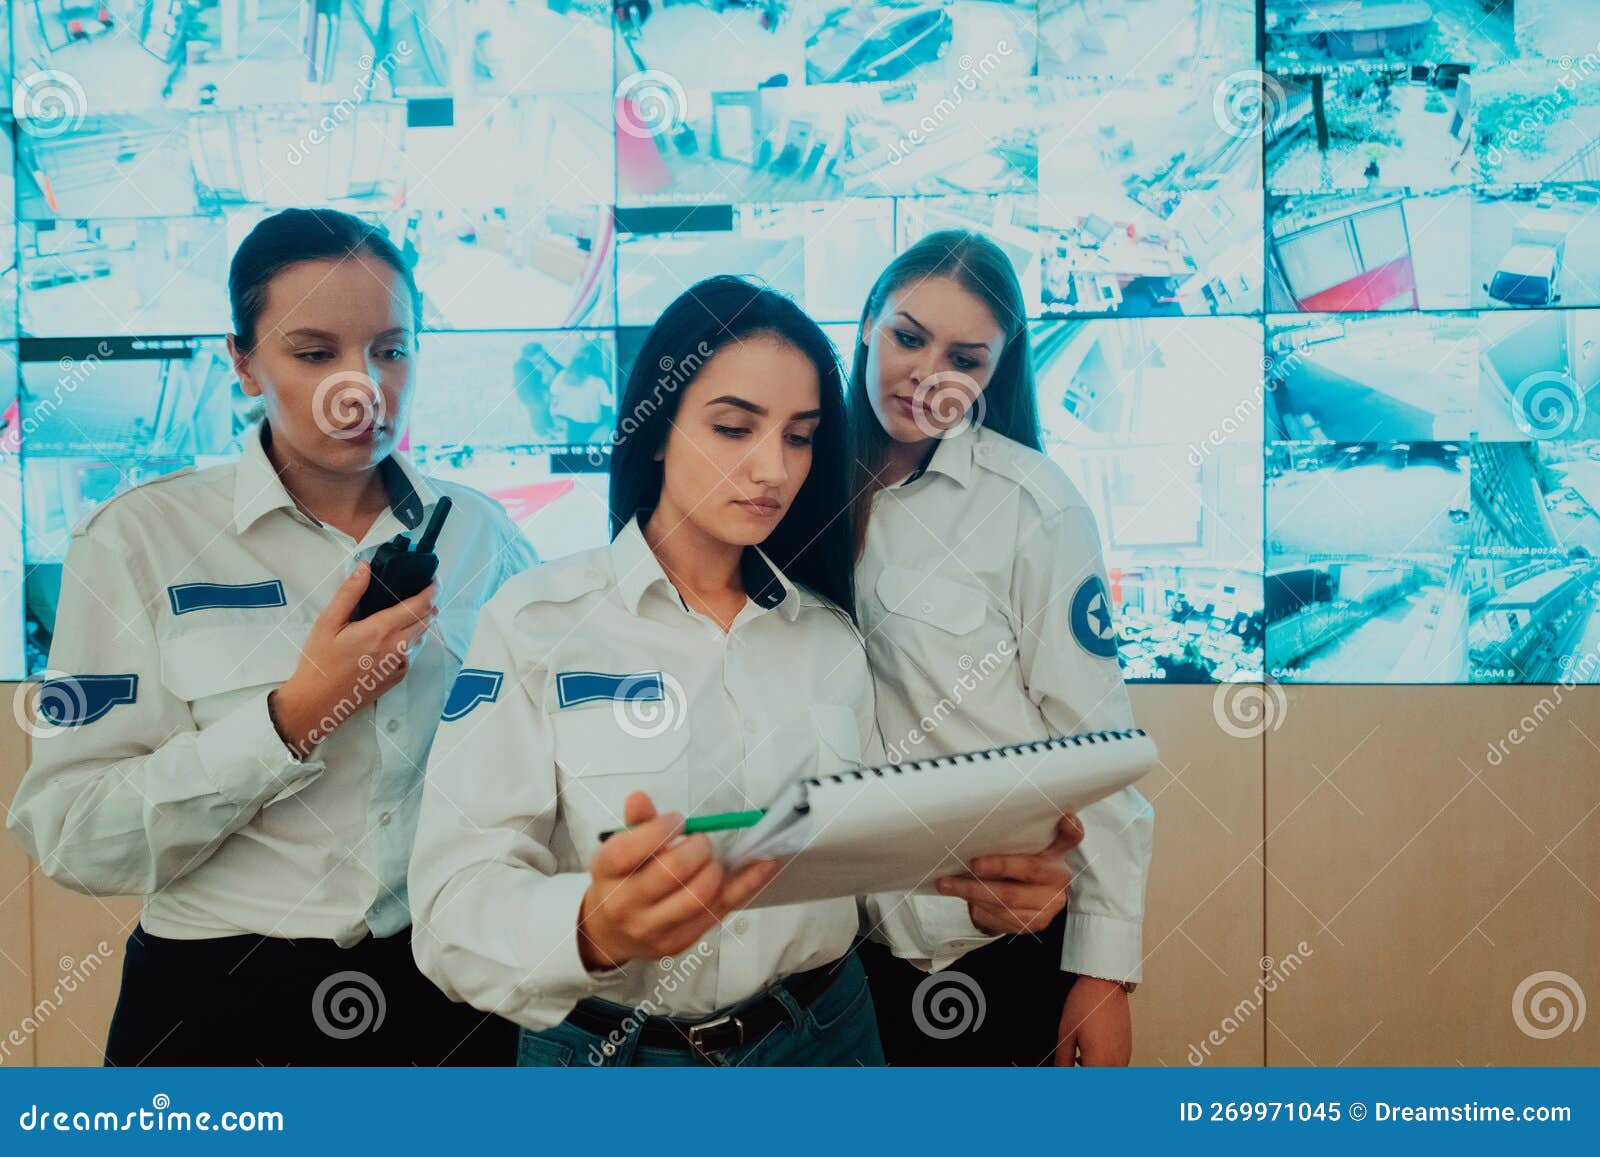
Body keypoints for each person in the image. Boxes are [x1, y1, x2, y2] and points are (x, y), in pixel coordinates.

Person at [407, 276, 1081, 1066]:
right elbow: (454, 906)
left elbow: (868, 885)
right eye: (733, 428)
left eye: (799, 437)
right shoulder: (535, 623)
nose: (773, 470)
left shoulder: (829, 637)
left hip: (825, 1044)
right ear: (658, 430)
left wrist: (987, 899)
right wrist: (592, 925)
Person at [6, 207, 535, 1066]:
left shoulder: (484, 535)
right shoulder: (138, 539)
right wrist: (291, 717)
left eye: (392, 349)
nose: (361, 386)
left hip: (447, 993)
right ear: (243, 363)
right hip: (216, 1006)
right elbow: (70, 831)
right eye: (315, 352)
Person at [847, 230, 1156, 1066]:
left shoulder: (1033, 507)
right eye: (908, 337)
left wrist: (1102, 974)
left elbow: (1099, 749)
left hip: (985, 946)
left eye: (967, 358)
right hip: (824, 967)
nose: (928, 374)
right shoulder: (791, 490)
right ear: (868, 323)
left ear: (996, 376)